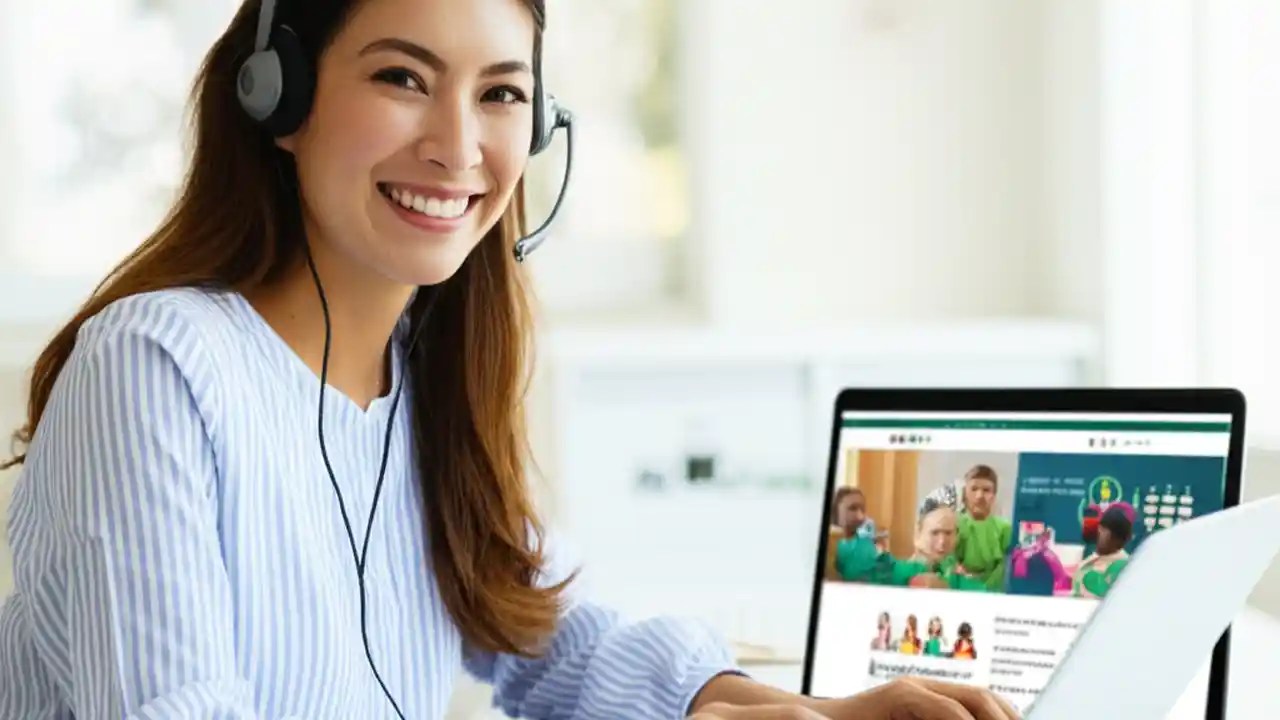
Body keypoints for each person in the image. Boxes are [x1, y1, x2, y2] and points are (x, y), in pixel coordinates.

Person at [0, 1, 1020, 718]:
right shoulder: (156, 368)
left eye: (499, 94)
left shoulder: (413, 382)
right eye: (402, 77)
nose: (457, 145)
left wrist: (776, 708)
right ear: (280, 99)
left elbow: (546, 631)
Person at [834, 499, 987, 592]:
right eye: (935, 533)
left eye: (948, 533)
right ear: (918, 533)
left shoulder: (954, 573)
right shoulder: (896, 571)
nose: (942, 542)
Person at [954, 465, 1014, 592]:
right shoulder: (954, 524)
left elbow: (1006, 565)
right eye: (974, 489)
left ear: (994, 495)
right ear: (965, 493)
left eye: (986, 490)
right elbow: (947, 559)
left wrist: (983, 588)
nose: (979, 496)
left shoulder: (1005, 528)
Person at [1071, 505, 1133, 599]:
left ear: (1117, 539)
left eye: (1105, 532)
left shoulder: (1122, 566)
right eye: (1100, 529)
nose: (1099, 535)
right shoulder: (1092, 557)